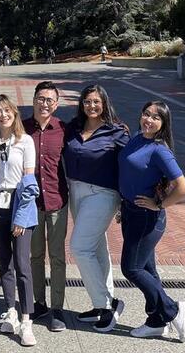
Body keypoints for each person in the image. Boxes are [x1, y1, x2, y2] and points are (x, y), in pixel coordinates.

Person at [118, 100, 185, 342]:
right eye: (146, 114)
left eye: (155, 117)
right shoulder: (138, 137)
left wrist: (158, 204)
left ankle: (172, 310)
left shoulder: (160, 149)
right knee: (147, 269)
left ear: (163, 124)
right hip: (130, 212)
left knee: (132, 268)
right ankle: (156, 321)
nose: (149, 120)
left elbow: (183, 188)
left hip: (147, 218)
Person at [63, 84, 129, 332]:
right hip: (76, 192)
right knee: (97, 248)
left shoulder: (117, 132)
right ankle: (105, 299)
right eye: (87, 101)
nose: (92, 106)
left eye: (96, 102)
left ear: (105, 104)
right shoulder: (73, 128)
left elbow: (130, 163)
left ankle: (105, 304)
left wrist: (128, 199)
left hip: (102, 193)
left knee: (79, 247)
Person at [0, 94, 40, 347]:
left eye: (6, 110)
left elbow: (29, 182)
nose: (2, 115)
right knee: (4, 262)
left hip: (19, 201)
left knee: (22, 264)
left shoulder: (25, 141)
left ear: (14, 113)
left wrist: (21, 216)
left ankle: (27, 320)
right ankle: (11, 311)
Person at [24, 81, 68, 332]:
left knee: (57, 256)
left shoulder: (63, 129)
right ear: (34, 100)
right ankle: (38, 302)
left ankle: (57, 307)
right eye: (41, 98)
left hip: (57, 201)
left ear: (56, 104)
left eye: (50, 100)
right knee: (36, 255)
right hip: (30, 204)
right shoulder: (22, 128)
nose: (45, 104)